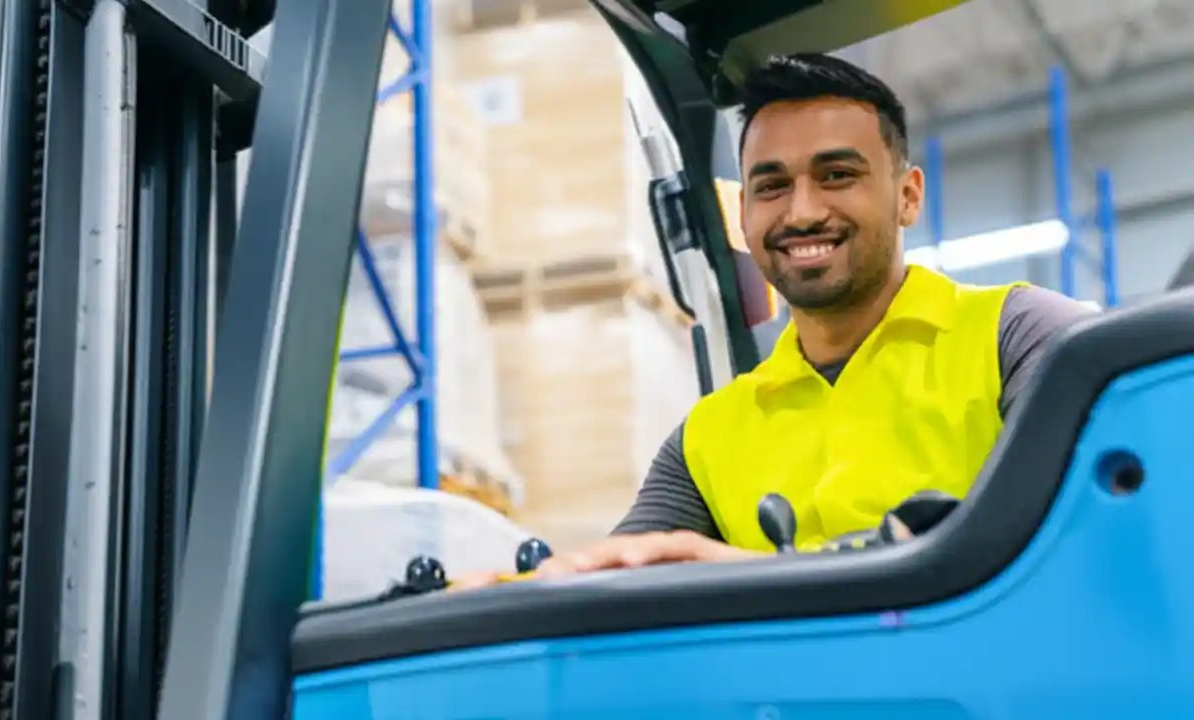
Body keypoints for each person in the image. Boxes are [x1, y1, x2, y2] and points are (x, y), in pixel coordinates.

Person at [456, 52, 1092, 589]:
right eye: (771, 186)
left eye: (837, 176)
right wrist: (515, 595)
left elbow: (1076, 539)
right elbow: (621, 579)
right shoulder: (708, 437)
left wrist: (739, 572)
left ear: (908, 195)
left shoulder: (1018, 336)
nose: (803, 211)